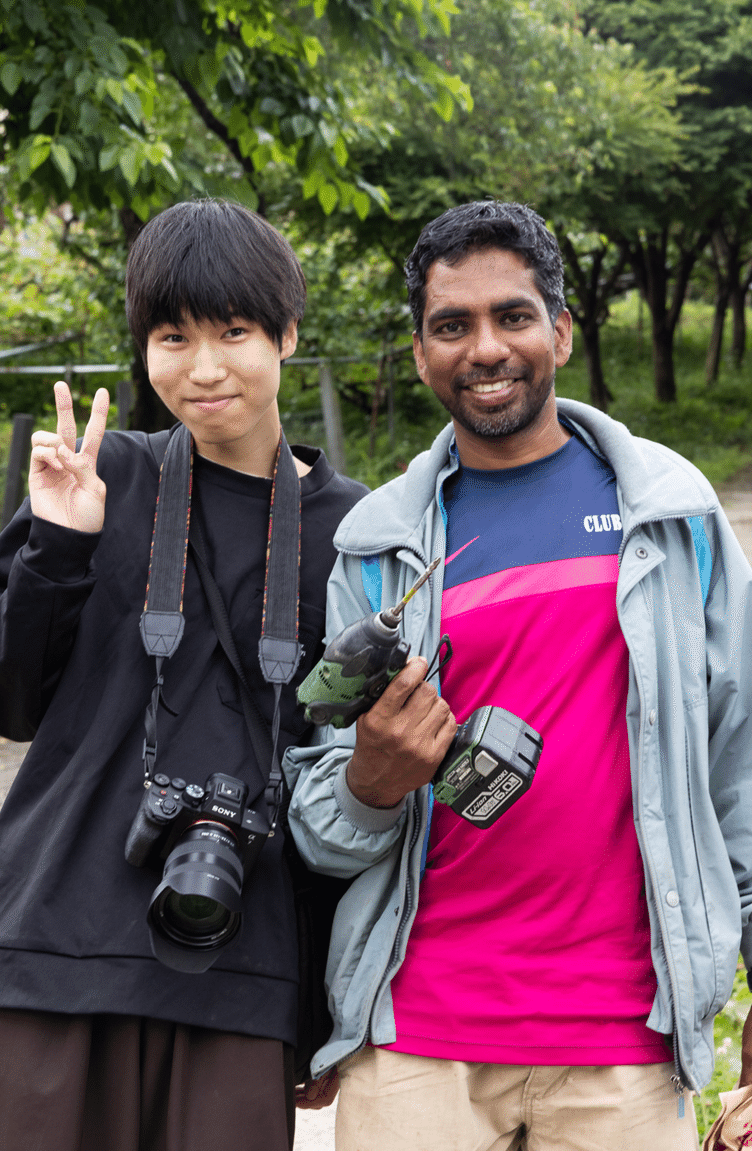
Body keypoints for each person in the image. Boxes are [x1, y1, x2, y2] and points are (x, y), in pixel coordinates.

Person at [284, 200, 752, 1151]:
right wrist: (373, 779)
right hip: (415, 1040)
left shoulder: (671, 515)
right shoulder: (377, 548)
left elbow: (738, 763)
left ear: (561, 332)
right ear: (422, 354)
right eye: (452, 325)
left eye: (513, 316)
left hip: (627, 1040)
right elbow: (320, 827)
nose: (486, 348)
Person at [0, 198, 366, 1151]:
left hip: (241, 964)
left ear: (287, 333)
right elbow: (3, 701)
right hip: (50, 949)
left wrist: (322, 1002)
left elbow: (344, 783)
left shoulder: (353, 531)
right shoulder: (103, 477)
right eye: (173, 337)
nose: (204, 367)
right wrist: (59, 544)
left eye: (235, 331)